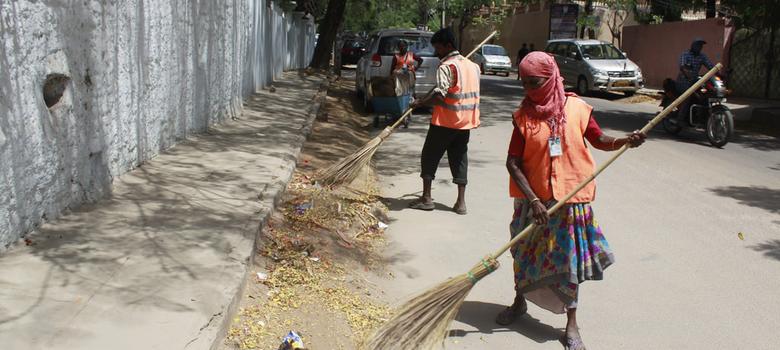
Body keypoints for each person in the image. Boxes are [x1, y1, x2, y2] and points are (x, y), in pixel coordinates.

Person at [496, 52, 646, 350]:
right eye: (524, 83)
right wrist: (535, 200)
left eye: (534, 82)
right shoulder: (523, 116)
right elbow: (513, 163)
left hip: (570, 202)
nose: (529, 90)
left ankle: (572, 324)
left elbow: (599, 139)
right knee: (522, 254)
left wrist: (623, 141)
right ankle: (519, 301)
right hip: (533, 204)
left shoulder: (577, 108)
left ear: (550, 77)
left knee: (569, 264)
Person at [408, 28, 480, 215]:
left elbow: (440, 97)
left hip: (445, 122)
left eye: (438, 48)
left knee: (430, 156)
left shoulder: (446, 66)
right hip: (465, 123)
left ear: (448, 46)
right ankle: (461, 203)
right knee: (459, 159)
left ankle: (426, 198)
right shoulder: (472, 66)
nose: (436, 52)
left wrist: (420, 103)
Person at [673, 38, 715, 126]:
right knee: (688, 96)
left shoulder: (702, 56)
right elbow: (682, 67)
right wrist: (688, 75)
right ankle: (679, 119)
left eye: (701, 46)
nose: (700, 47)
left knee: (706, 94)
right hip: (683, 81)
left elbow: (710, 66)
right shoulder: (685, 55)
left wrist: (720, 73)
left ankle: (703, 117)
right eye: (698, 45)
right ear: (693, 46)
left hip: (695, 81)